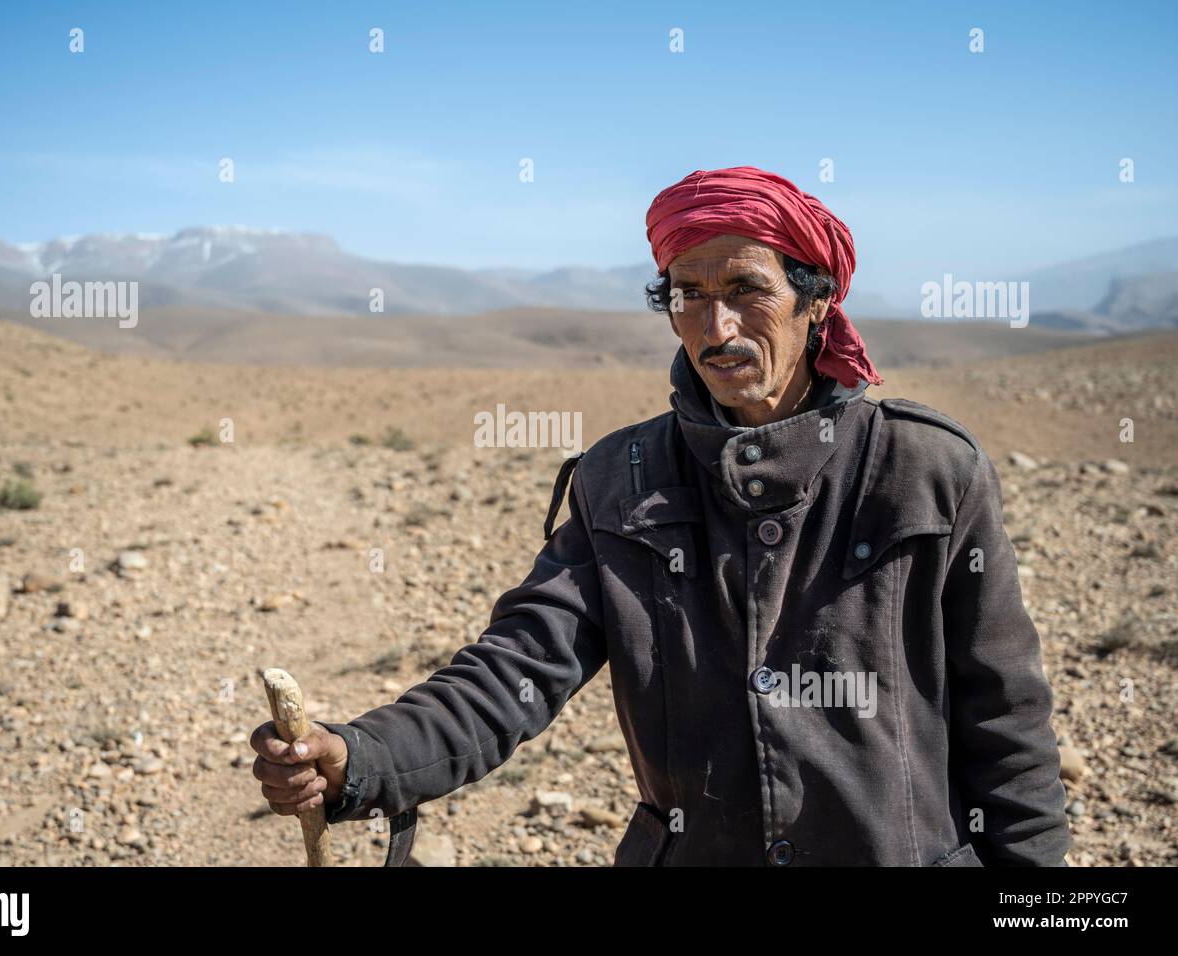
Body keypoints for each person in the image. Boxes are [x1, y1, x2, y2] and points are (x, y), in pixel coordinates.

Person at [250, 166, 1070, 866]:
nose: (716, 329)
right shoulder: (623, 479)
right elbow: (515, 669)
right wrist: (361, 756)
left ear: (814, 302)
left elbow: (1006, 721)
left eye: (747, 291)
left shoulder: (924, 471)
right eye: (687, 295)